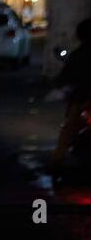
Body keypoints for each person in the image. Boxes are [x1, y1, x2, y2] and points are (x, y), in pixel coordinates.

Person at [52, 17, 91, 170]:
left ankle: (57, 161)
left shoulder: (78, 54)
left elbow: (64, 78)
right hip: (82, 99)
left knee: (69, 128)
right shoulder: (77, 55)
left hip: (81, 99)